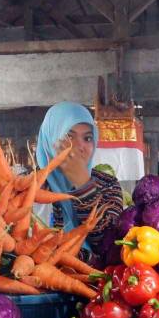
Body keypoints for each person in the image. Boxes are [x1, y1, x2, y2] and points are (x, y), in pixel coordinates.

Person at [35, 102, 123, 257]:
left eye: (88, 138)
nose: (80, 146)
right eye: (69, 136)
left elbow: (110, 246)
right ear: (50, 138)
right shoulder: (27, 186)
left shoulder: (107, 184)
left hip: (93, 279)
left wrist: (83, 184)